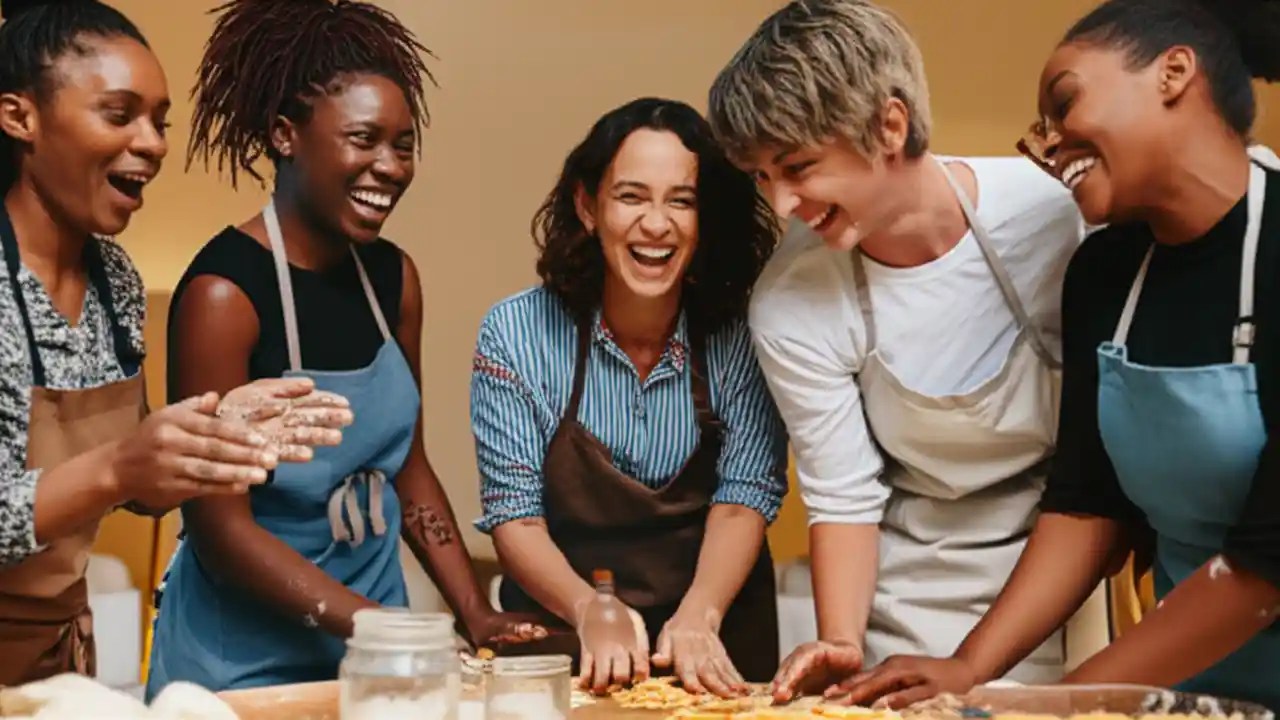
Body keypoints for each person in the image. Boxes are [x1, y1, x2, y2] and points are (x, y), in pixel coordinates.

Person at [839, 0, 1280, 710]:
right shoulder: (1104, 273)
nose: (1049, 146)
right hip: (1186, 689)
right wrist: (970, 669)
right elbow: (1086, 502)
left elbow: (1266, 565)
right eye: (1039, 129)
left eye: (1064, 103)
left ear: (1173, 73)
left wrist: (1062, 704)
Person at [145, 0, 543, 696]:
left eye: (404, 144)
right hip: (239, 669)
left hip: (368, 656)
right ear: (284, 135)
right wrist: (387, 631)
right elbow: (218, 530)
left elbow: (407, 467)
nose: (388, 166)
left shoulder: (394, 278)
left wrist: (473, 610)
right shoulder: (223, 295)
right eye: (364, 139)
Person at [705, 0, 1091, 700]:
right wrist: (843, 641)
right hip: (906, 612)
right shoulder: (791, 298)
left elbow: (1103, 467)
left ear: (890, 125)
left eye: (798, 167)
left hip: (1067, 587)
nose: (782, 204)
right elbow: (842, 492)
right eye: (762, 177)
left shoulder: (1056, 217)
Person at [0, 0, 351, 686]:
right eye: (119, 113)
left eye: (159, 121)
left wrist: (209, 439)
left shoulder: (116, 282)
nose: (155, 143)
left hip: (58, 662)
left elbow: (142, 493)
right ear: (20, 117)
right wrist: (119, 468)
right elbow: (113, 473)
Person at [471, 97, 789, 696]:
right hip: (570, 643)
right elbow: (514, 513)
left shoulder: (747, 333)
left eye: (682, 200)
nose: (657, 224)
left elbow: (744, 496)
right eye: (632, 196)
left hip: (716, 643)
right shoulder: (514, 334)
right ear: (588, 207)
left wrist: (700, 615)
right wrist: (590, 610)